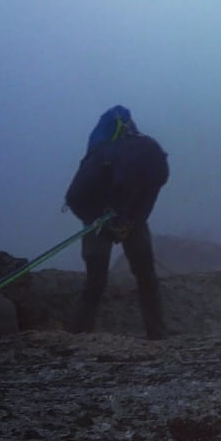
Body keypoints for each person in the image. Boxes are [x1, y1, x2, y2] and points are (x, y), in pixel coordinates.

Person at [64, 105, 170, 338]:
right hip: (129, 218)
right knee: (146, 278)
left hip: (99, 220)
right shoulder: (149, 151)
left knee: (95, 281)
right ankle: (158, 334)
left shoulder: (101, 154)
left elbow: (74, 197)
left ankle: (79, 334)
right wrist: (133, 221)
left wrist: (100, 221)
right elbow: (151, 191)